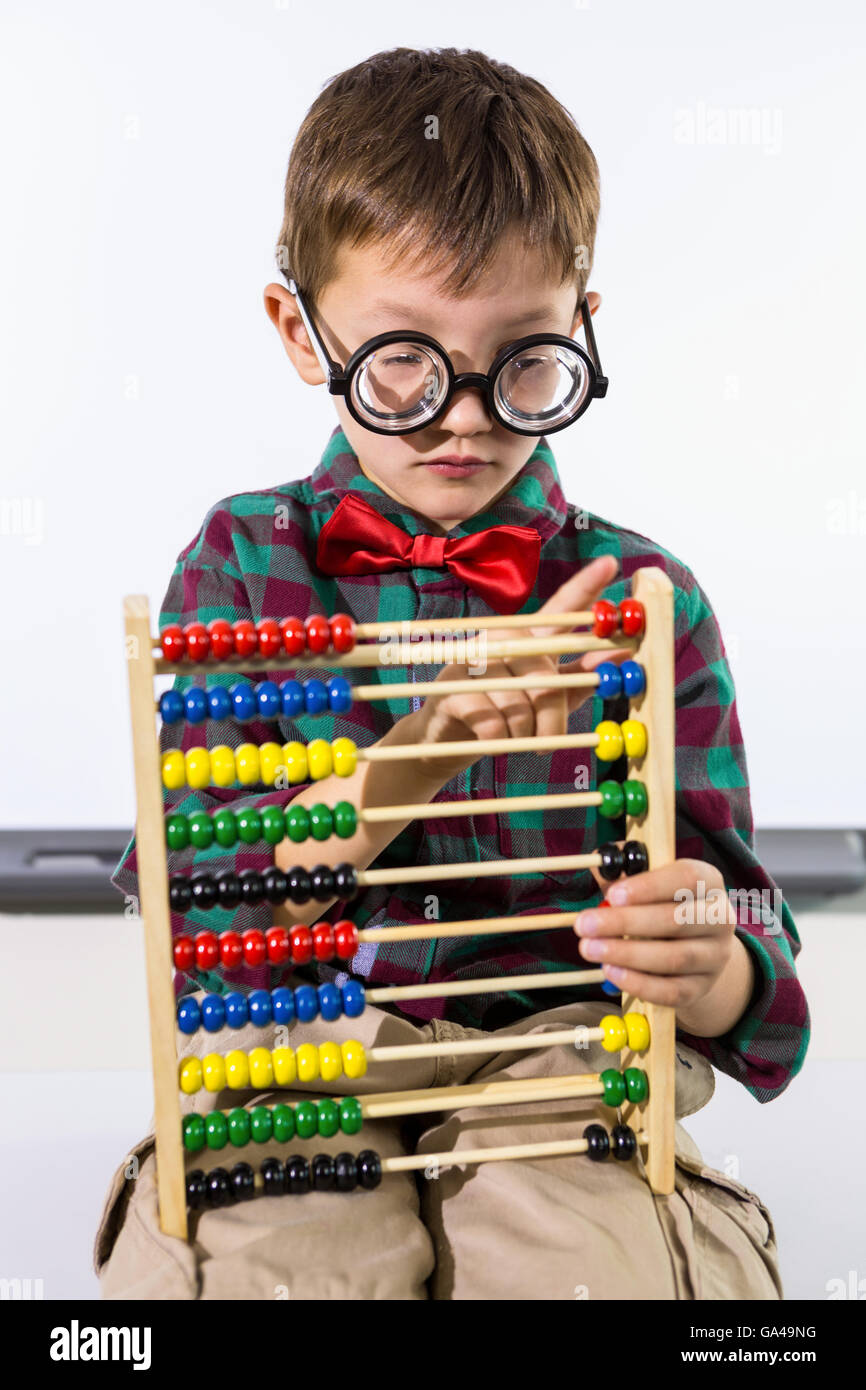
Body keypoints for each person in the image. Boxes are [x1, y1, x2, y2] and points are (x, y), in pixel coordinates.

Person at [95, 46, 807, 1301]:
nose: (465, 415)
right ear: (298, 331)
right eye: (404, 364)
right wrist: (413, 755)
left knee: (603, 1274)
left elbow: (752, 918)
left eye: (523, 360)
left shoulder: (645, 600)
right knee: (260, 1266)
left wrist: (718, 955)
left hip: (556, 1062)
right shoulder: (243, 565)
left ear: (583, 327)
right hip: (299, 1053)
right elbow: (196, 920)